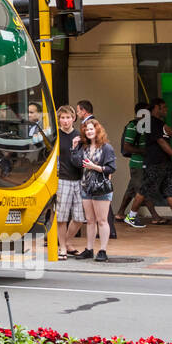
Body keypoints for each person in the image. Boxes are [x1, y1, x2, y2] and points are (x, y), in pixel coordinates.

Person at [124, 98, 172, 229]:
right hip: (154, 162)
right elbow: (161, 142)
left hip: (165, 162)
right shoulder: (152, 122)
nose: (166, 110)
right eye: (164, 107)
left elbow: (164, 138)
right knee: (145, 189)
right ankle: (131, 217)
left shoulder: (159, 123)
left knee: (170, 189)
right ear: (156, 108)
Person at [72, 117, 116, 261]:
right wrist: (74, 147)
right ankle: (89, 249)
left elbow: (111, 168)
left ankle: (103, 250)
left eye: (91, 129)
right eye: (86, 129)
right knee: (90, 220)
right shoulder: (83, 147)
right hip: (86, 186)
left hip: (101, 188)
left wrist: (94, 167)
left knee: (102, 220)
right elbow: (77, 163)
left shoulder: (106, 147)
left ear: (97, 130)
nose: (89, 131)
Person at [117, 101, 164, 223]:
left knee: (132, 189)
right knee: (143, 190)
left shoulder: (145, 125)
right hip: (138, 164)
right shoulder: (133, 126)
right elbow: (127, 147)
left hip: (144, 163)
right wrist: (143, 151)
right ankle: (155, 216)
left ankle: (120, 213)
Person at [54, 105, 83, 259]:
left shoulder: (79, 136)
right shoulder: (56, 136)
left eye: (68, 117)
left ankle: (65, 242)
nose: (65, 121)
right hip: (62, 179)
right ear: (58, 120)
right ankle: (64, 248)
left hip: (78, 179)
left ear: (73, 118)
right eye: (62, 118)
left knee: (79, 218)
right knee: (62, 217)